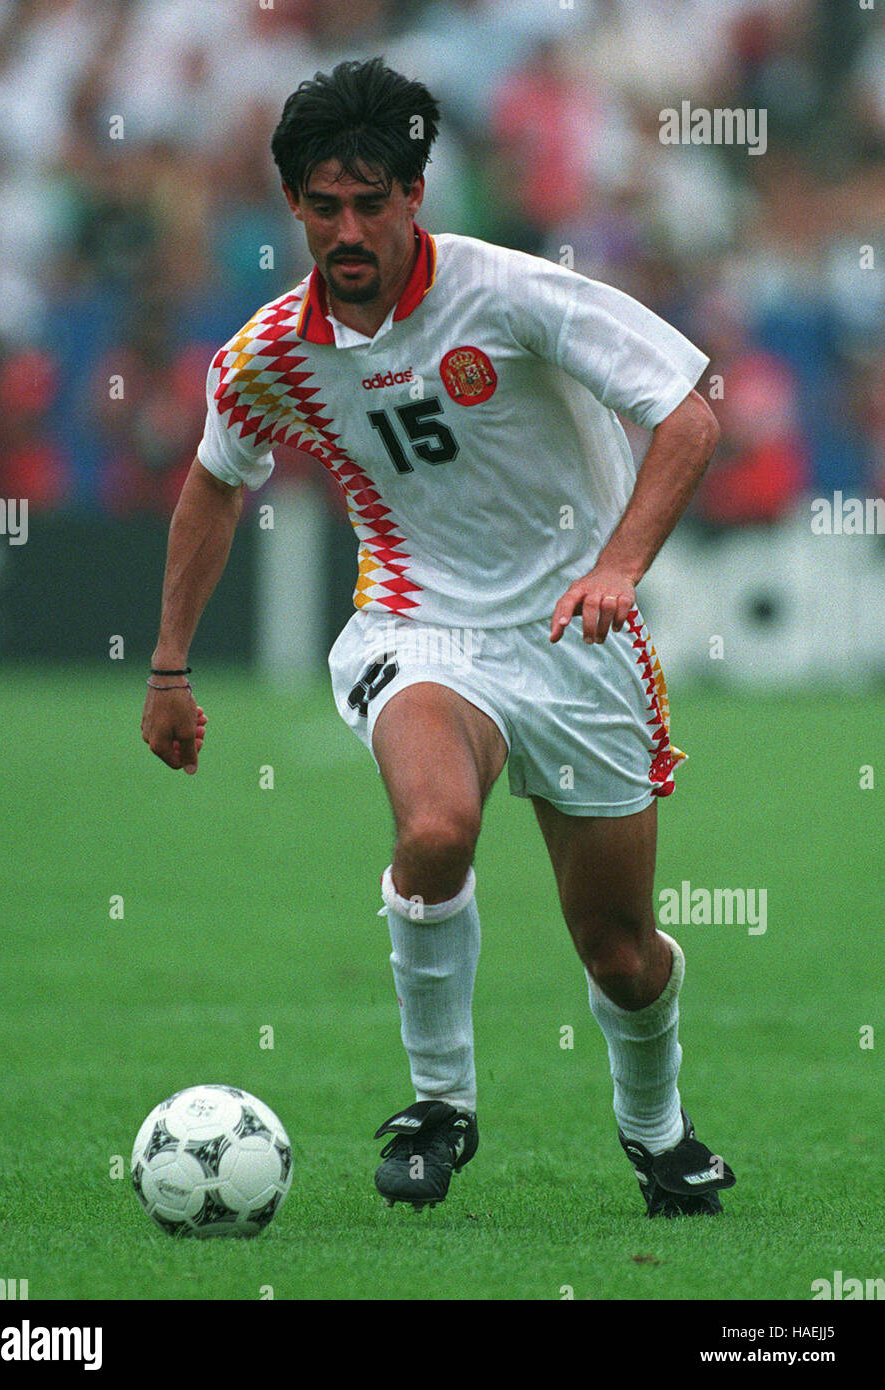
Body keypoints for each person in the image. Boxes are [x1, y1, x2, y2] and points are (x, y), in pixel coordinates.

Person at [141, 57, 734, 1219]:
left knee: (620, 951)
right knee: (433, 826)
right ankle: (439, 1106)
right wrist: (167, 663)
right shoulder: (269, 353)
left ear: (416, 196)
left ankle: (656, 1129)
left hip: (575, 635)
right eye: (324, 205)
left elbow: (688, 412)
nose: (348, 228)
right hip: (420, 623)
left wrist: (616, 566)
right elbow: (216, 481)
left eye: (372, 202)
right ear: (297, 208)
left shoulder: (514, 293)